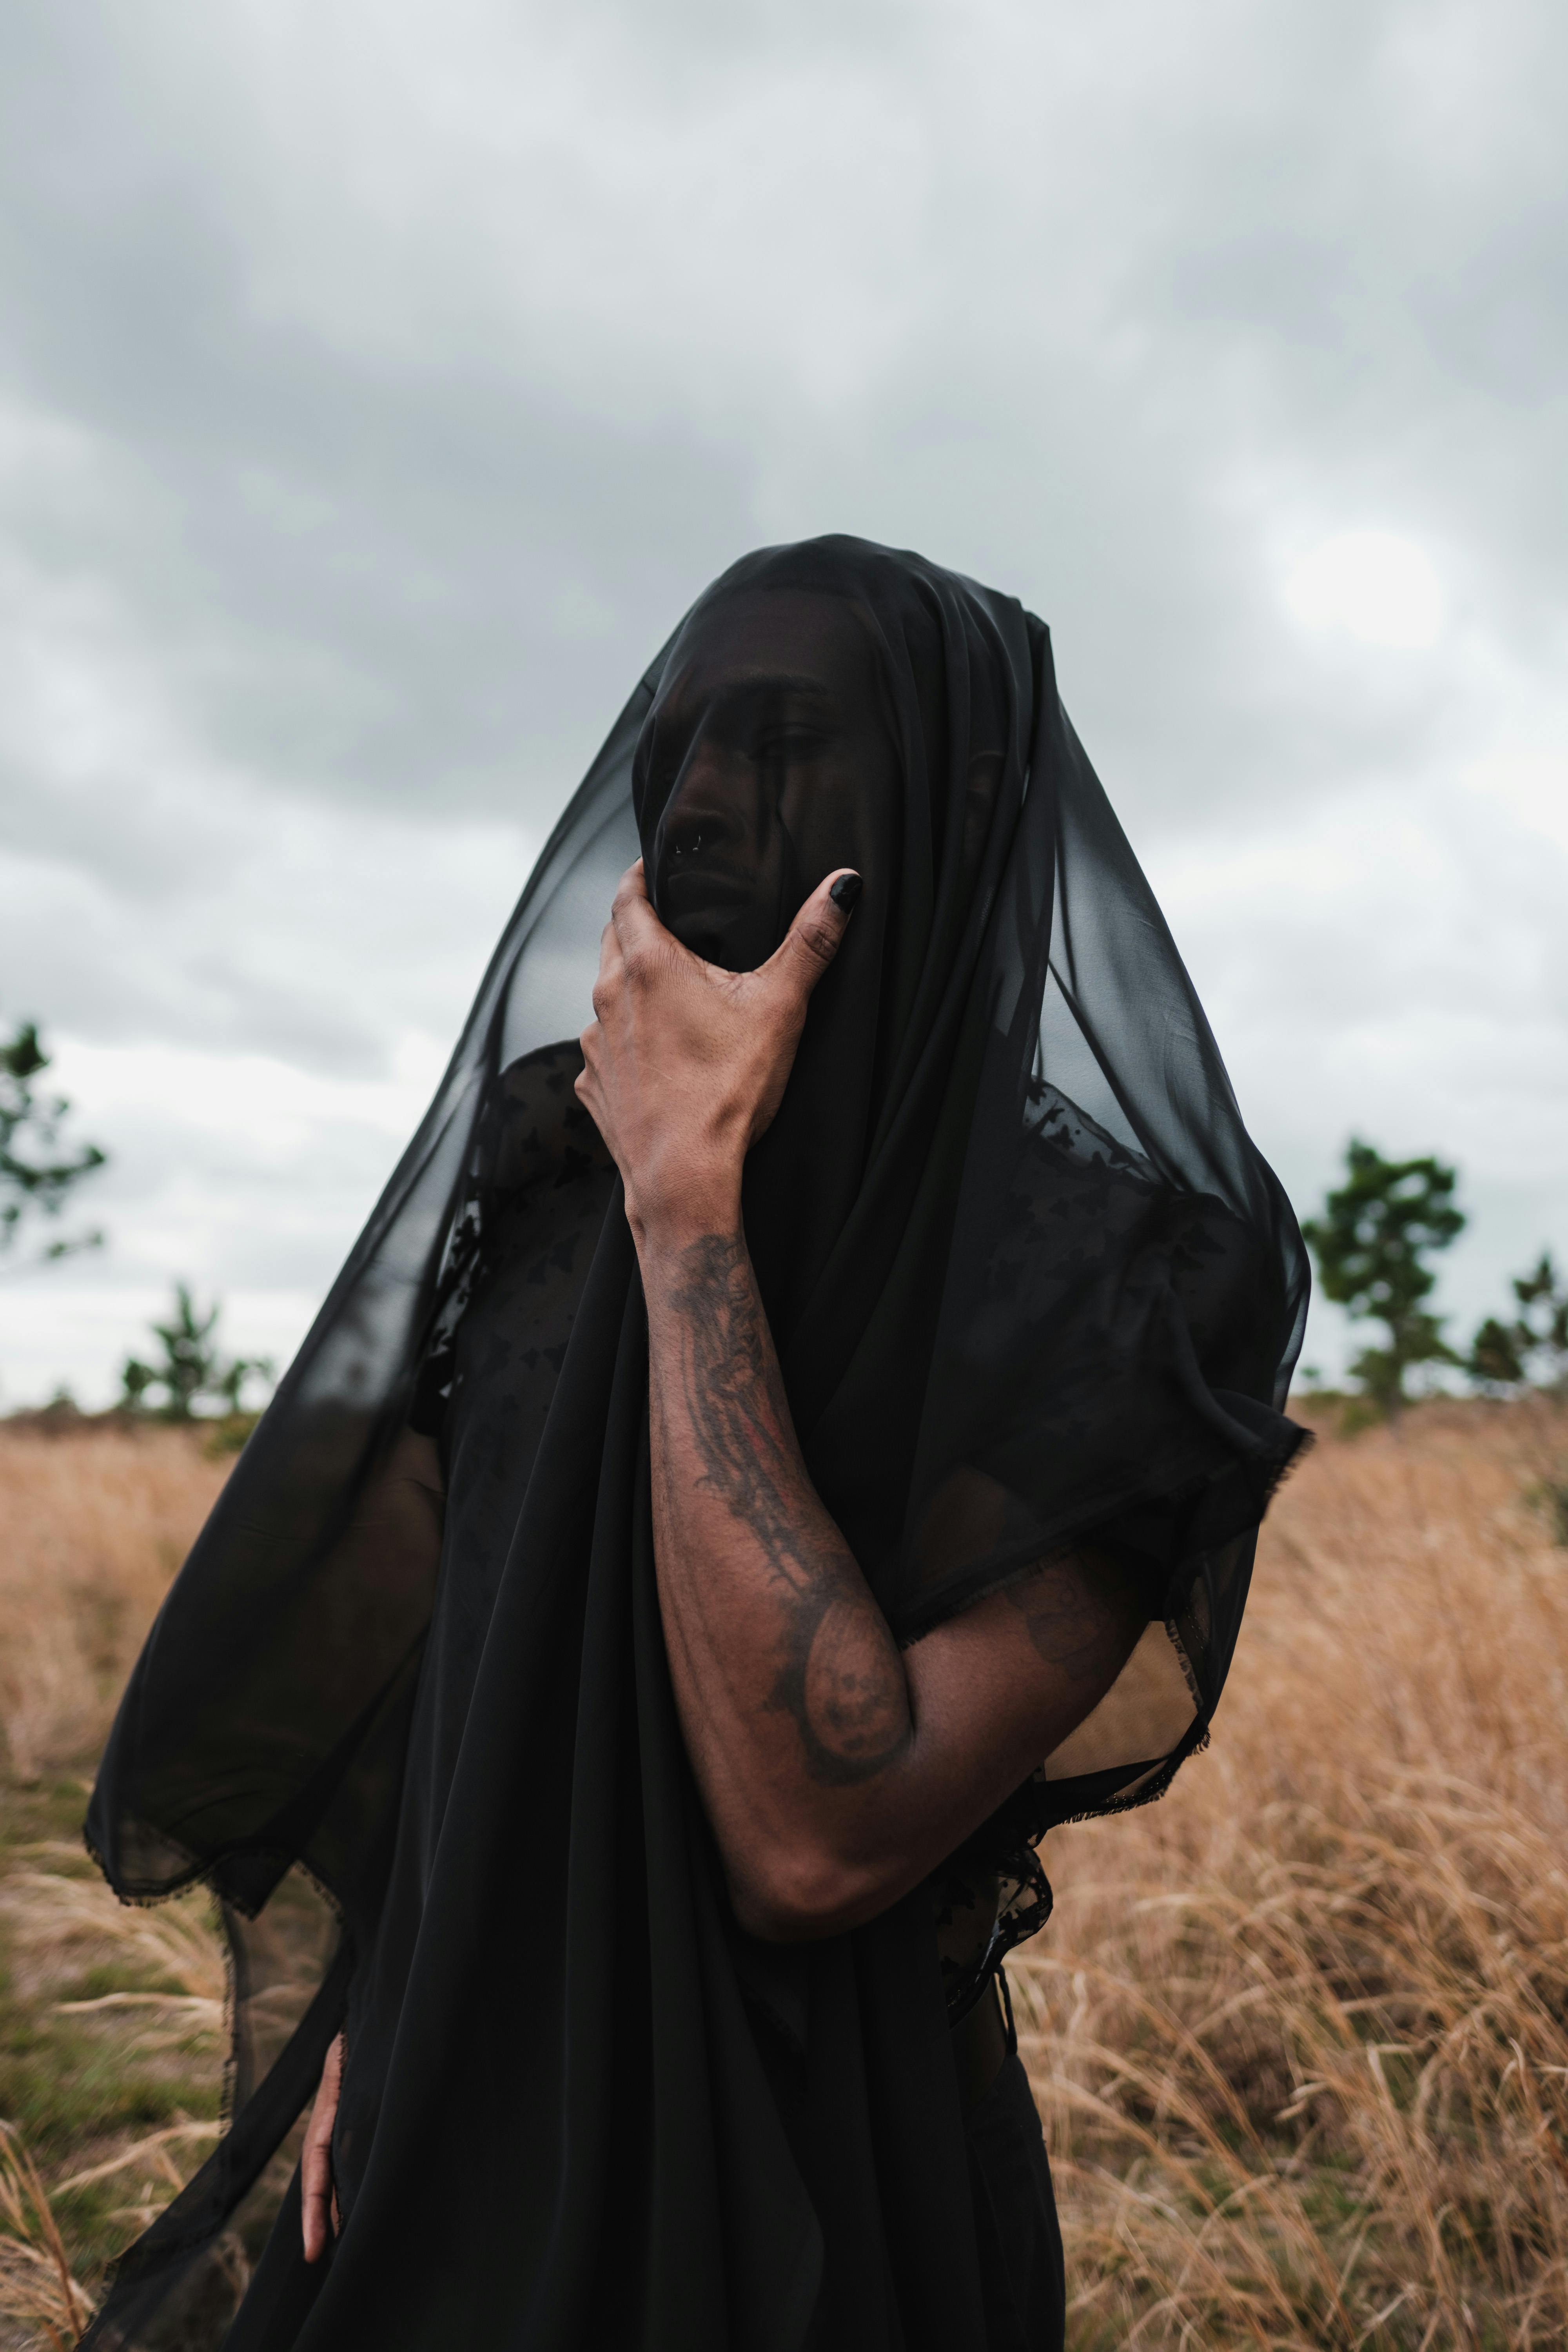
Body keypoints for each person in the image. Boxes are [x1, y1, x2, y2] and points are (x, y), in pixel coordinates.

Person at [82, 537, 1308, 2352]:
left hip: (831, 2205)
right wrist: (392, 1997)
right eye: (689, 744)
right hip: (459, 2123)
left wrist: (692, 1209)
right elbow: (464, 1646)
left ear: (956, 798)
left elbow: (818, 1835)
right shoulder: (551, 1164)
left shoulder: (1118, 1286)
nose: (713, 798)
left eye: (791, 741)